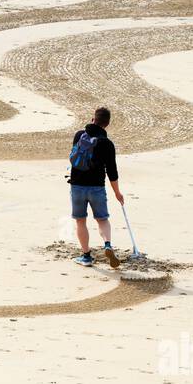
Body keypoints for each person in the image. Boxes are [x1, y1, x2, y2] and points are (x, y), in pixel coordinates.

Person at [68, 106, 123, 267]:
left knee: (80, 221)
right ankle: (107, 245)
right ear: (107, 124)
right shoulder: (107, 144)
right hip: (97, 187)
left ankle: (86, 256)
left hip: (77, 186)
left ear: (93, 119)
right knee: (102, 220)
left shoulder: (79, 135)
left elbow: (73, 157)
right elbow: (112, 172)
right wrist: (117, 193)